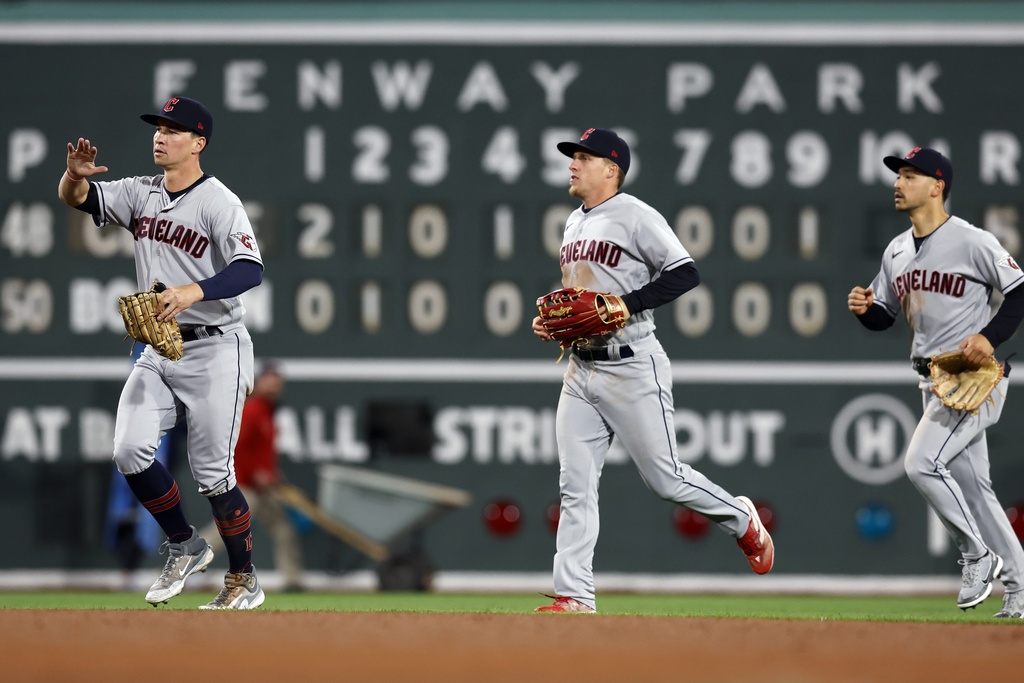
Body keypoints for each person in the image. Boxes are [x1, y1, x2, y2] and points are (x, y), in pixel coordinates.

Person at [531, 127, 775, 613]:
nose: (573, 164)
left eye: (584, 157)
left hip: (632, 365)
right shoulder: (573, 225)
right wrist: (557, 326)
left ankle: (741, 517)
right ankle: (575, 596)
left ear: (611, 169)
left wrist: (626, 304)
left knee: (666, 480)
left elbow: (685, 272)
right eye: (572, 156)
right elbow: (582, 301)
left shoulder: (636, 215)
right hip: (582, 370)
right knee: (574, 485)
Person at [58, 96, 266, 610]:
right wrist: (74, 177)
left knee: (214, 474)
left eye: (173, 130)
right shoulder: (140, 192)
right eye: (157, 127)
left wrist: (193, 291)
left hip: (218, 349)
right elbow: (80, 199)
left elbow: (249, 268)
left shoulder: (220, 201)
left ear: (198, 143)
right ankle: (184, 544)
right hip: (160, 350)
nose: (160, 136)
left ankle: (243, 580)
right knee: (129, 449)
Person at [848, 146, 1024, 617]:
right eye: (898, 175)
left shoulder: (972, 240)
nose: (898, 182)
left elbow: (1019, 291)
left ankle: (976, 554)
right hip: (931, 380)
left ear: (937, 185)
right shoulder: (898, 250)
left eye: (909, 174)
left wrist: (989, 336)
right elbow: (885, 315)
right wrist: (867, 311)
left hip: (973, 379)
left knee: (921, 463)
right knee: (976, 490)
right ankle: (1020, 584)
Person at [200, 360, 305, 592]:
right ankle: (185, 562)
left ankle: (292, 581)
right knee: (223, 534)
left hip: (263, 489)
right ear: (259, 381)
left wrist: (271, 473)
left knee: (284, 529)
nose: (275, 384)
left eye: (278, 380)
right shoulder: (253, 409)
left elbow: (262, 453)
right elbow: (235, 446)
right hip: (245, 486)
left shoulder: (269, 411)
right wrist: (255, 473)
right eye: (270, 379)